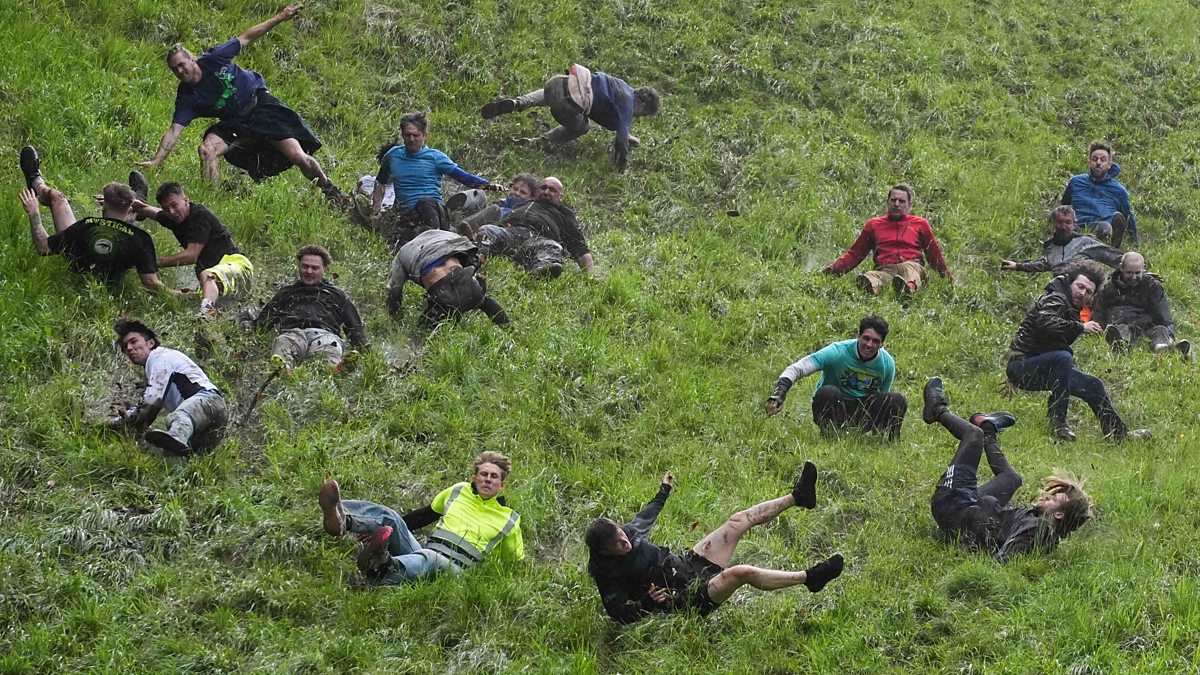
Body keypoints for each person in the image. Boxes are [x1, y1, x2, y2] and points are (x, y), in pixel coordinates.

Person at [584, 465, 844, 624]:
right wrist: (646, 603)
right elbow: (617, 614)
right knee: (741, 573)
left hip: (687, 565)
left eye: (622, 535)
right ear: (604, 551)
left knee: (737, 521)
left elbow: (647, 516)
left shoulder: (628, 534)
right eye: (617, 545)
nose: (625, 542)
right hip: (684, 601)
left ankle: (799, 497)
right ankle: (810, 578)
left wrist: (664, 491)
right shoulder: (606, 572)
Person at [138, 3, 338, 199]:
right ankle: (211, 202)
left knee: (298, 157)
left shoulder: (214, 58)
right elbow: (174, 131)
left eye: (181, 64)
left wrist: (280, 17)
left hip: (260, 106)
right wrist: (157, 160)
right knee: (207, 149)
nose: (180, 71)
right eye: (175, 69)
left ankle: (330, 190)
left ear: (192, 59)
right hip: (236, 122)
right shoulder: (187, 96)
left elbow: (247, 37)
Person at [921, 376, 1094, 562]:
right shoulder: (1038, 524)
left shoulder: (1039, 530)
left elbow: (1003, 559)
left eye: (1053, 499)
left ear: (1059, 514)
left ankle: (936, 409)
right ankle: (988, 429)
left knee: (973, 435)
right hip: (967, 507)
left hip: (953, 505)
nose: (1046, 496)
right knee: (1012, 478)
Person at [319, 451, 524, 585]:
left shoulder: (508, 520)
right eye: (483, 474)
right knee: (390, 517)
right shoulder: (459, 491)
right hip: (425, 552)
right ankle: (341, 518)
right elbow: (424, 516)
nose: (487, 479)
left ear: (502, 485)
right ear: (474, 478)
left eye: (494, 476)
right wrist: (389, 531)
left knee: (431, 559)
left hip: (456, 573)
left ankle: (379, 573)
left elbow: (513, 566)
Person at [1005, 261, 1148, 441]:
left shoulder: (1070, 305)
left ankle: (1118, 434)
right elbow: (1045, 322)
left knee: (1093, 385)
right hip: (1023, 365)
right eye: (1080, 286)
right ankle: (1059, 425)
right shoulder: (1056, 298)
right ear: (1070, 283)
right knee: (1063, 358)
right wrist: (1081, 327)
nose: (1082, 293)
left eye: (1088, 291)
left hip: (1037, 364)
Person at [18, 146, 167, 293]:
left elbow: (43, 247)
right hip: (113, 276)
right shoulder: (141, 239)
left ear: (104, 205)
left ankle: (36, 180)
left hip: (79, 270)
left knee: (57, 198)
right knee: (123, 231)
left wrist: (34, 213)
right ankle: (139, 197)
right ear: (130, 208)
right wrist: (182, 294)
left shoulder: (85, 227)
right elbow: (152, 284)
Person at [480, 64, 662, 172]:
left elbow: (614, 123)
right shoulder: (628, 105)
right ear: (642, 104)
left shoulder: (621, 86)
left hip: (558, 82)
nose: (637, 117)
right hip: (567, 104)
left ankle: (518, 103)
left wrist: (628, 135)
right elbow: (620, 143)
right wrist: (621, 167)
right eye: (642, 115)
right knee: (583, 127)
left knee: (556, 93)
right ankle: (543, 141)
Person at [766, 315, 907, 441]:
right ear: (858, 336)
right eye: (866, 338)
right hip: (834, 407)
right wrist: (780, 393)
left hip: (862, 413)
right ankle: (829, 435)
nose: (869, 345)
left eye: (875, 341)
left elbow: (882, 397)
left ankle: (890, 441)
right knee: (828, 392)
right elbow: (798, 368)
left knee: (897, 399)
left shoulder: (887, 364)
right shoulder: (837, 352)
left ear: (882, 344)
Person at [132, 181, 254, 317]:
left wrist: (154, 262)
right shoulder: (172, 217)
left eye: (174, 205)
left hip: (238, 265)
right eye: (166, 209)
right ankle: (209, 310)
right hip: (216, 281)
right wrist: (118, 201)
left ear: (186, 200)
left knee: (207, 275)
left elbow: (191, 256)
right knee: (188, 298)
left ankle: (205, 315)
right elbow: (151, 211)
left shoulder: (199, 215)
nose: (171, 212)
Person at [107, 319, 228, 455]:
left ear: (150, 343)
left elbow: (152, 400)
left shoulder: (159, 356)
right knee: (178, 455)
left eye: (134, 342)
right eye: (125, 346)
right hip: (212, 417)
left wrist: (130, 423)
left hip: (206, 401)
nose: (129, 348)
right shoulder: (154, 368)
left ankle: (177, 434)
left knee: (176, 419)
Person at [372, 111, 503, 231]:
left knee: (424, 202)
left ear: (425, 135)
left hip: (434, 212)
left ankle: (439, 233)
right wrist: (375, 210)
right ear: (402, 135)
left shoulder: (435, 157)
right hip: (408, 215)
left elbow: (465, 178)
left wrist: (489, 185)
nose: (411, 139)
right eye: (408, 135)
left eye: (416, 135)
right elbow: (380, 182)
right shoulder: (392, 155)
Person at [822, 184, 952, 297]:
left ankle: (908, 289)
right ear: (887, 202)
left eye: (901, 201)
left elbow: (934, 254)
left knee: (908, 267)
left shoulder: (920, 224)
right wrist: (832, 271)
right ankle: (872, 290)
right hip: (884, 270)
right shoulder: (874, 225)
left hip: (911, 267)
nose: (896, 204)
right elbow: (855, 254)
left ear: (909, 205)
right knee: (869, 276)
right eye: (893, 200)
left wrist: (947, 279)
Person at [255, 245, 368, 373]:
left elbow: (355, 329)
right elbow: (262, 323)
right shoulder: (286, 293)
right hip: (293, 334)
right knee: (282, 343)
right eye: (305, 266)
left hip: (325, 335)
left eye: (314, 268)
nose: (309, 271)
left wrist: (365, 352)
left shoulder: (337, 295)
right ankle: (284, 371)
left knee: (328, 349)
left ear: (324, 269)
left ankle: (334, 370)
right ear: (299, 266)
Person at [387, 229, 510, 327]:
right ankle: (509, 329)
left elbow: (394, 291)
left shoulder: (404, 251)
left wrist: (395, 316)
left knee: (432, 320)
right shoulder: (440, 233)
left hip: (434, 274)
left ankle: (418, 341)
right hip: (454, 250)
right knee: (481, 300)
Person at [477, 176, 595, 277]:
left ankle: (540, 271)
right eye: (543, 188)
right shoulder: (526, 202)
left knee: (553, 247)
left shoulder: (565, 214)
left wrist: (590, 275)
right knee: (488, 230)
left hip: (538, 240)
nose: (546, 192)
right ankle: (477, 259)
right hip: (510, 233)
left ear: (561, 196)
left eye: (552, 190)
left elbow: (580, 248)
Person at [1094, 252, 1189, 359]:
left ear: (1143, 269)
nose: (1134, 277)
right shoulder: (1109, 287)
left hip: (1144, 324)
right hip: (1120, 322)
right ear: (1121, 268)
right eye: (1129, 273)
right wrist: (1099, 329)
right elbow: (1099, 311)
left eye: (1137, 273)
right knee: (1120, 330)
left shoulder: (1151, 286)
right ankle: (1120, 344)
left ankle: (1165, 346)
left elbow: (1162, 312)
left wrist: (1169, 331)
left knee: (1160, 330)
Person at [1001, 205, 1122, 276]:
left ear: (1074, 224)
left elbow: (1111, 255)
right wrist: (1018, 266)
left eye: (1068, 222)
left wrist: (1131, 265)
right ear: (1053, 224)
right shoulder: (1050, 247)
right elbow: (1045, 264)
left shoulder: (1086, 242)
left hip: (1084, 291)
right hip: (1059, 292)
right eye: (1060, 222)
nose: (1063, 226)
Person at [1062, 140, 1138, 246]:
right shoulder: (1076, 182)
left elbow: (1128, 216)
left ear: (1109, 164)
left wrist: (1135, 242)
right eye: (1094, 159)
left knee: (1106, 226)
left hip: (1103, 226)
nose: (1098, 163)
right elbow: (1064, 206)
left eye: (1103, 160)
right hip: (1079, 225)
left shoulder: (1119, 191)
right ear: (1089, 162)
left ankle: (1111, 245)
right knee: (1069, 226)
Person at [456, 173, 539, 238]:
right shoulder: (501, 202)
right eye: (515, 189)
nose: (517, 193)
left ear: (531, 197)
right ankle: (451, 212)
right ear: (510, 188)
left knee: (495, 210)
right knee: (480, 194)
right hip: (474, 219)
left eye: (523, 192)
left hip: (492, 231)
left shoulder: (525, 213)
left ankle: (459, 230)